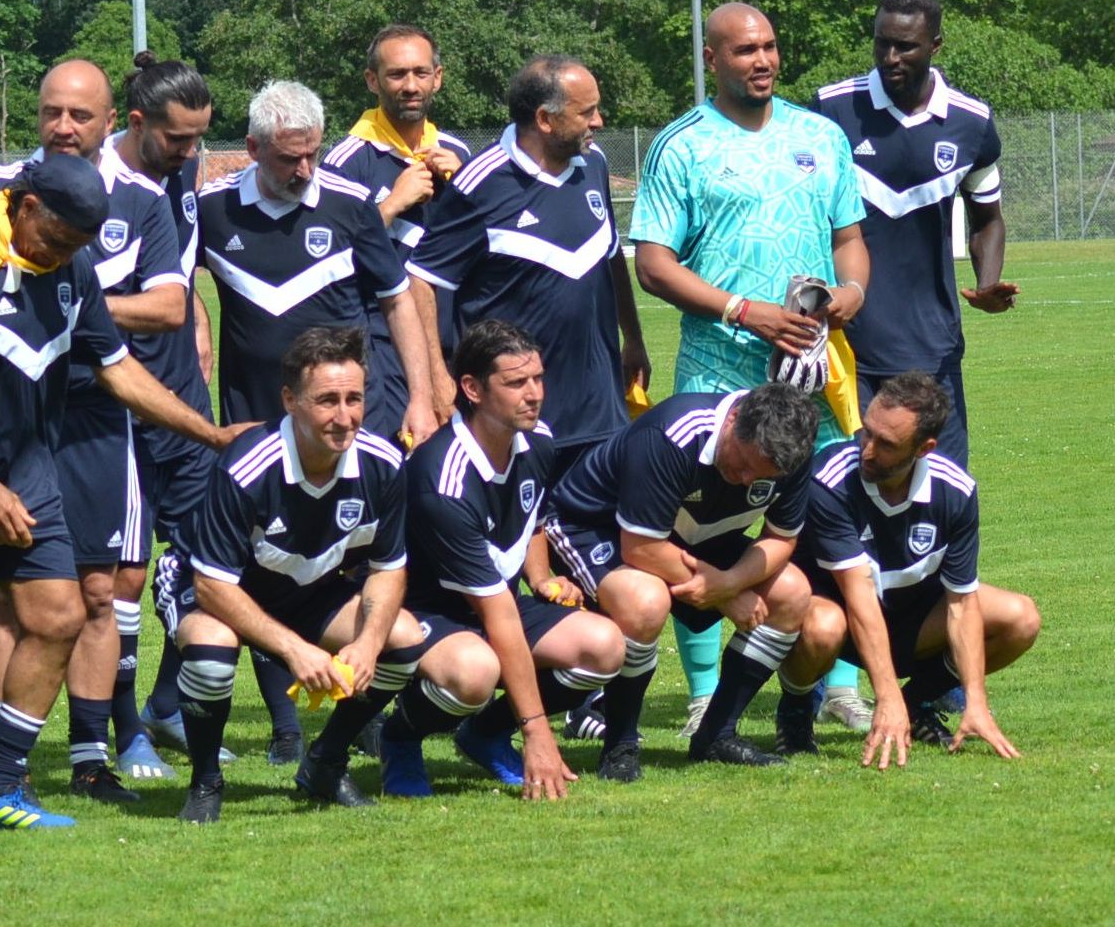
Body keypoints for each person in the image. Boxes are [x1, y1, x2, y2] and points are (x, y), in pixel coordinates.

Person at [0, 154, 242, 836]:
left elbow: (118, 371)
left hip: (28, 465)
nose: (62, 256)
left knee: (58, 615)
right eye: (54, 240)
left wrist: (211, 433)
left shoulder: (74, 269)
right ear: (23, 205)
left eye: (77, 247)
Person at [630, 3, 872, 735]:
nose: (761, 60)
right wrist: (744, 309)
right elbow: (652, 264)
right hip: (720, 375)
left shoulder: (821, 135)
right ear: (712, 58)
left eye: (769, 46)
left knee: (832, 518)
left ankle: (840, 680)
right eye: (743, 50)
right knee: (701, 526)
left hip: (814, 379)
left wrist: (849, 294)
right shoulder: (682, 145)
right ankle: (706, 688)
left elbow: (850, 240)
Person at [196, 78, 439, 763]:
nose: (304, 170)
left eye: (312, 154)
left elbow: (397, 300)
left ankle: (348, 706)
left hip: (342, 411)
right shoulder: (210, 208)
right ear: (251, 149)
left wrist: (419, 395)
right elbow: (176, 281)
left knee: (346, 556)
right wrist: (198, 329)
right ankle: (282, 722)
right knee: (258, 563)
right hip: (254, 415)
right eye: (286, 158)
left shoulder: (351, 201)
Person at [165, 327, 440, 823]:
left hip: (307, 587)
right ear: (290, 400)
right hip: (210, 585)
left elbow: (388, 569)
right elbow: (211, 584)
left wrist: (368, 644)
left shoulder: (383, 464)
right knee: (211, 655)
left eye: (354, 398)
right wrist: (295, 650)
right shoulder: (248, 466)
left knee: (401, 639)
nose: (344, 416)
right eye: (327, 401)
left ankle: (325, 764)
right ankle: (205, 780)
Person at [380, 320, 624, 799]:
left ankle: (485, 734)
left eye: (537, 379)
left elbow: (531, 517)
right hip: (430, 613)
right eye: (515, 383)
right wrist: (537, 732)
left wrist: (542, 574)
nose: (533, 394)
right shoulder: (443, 480)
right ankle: (401, 736)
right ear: (471, 388)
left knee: (604, 646)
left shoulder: (538, 440)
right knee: (476, 672)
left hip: (498, 600)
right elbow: (498, 615)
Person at [543, 384, 821, 781]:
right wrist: (726, 596)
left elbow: (781, 539)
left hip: (687, 539)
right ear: (732, 419)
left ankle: (716, 735)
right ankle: (619, 745)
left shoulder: (791, 454)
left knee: (792, 592)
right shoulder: (673, 434)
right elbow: (641, 548)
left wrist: (729, 582)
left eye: (759, 477)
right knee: (645, 600)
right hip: (592, 528)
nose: (744, 481)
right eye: (742, 463)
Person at [777, 373, 1039, 763]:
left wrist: (977, 701)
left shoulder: (956, 491)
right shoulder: (830, 481)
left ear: (924, 448)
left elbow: (961, 602)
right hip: (846, 620)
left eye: (886, 444)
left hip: (913, 622)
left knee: (1021, 618)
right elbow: (859, 595)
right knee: (822, 626)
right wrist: (885, 697)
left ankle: (918, 703)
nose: (867, 449)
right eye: (868, 432)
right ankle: (795, 713)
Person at [407, 55, 649, 467]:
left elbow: (611, 259)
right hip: (518, 424)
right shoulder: (479, 184)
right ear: (544, 119)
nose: (599, 123)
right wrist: (437, 382)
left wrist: (635, 339)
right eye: (587, 112)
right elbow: (422, 280)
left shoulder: (594, 165)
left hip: (602, 414)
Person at [813, 0, 1012, 468]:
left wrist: (987, 285)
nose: (890, 57)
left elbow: (988, 218)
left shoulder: (972, 124)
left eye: (906, 46)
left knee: (941, 494)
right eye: (882, 43)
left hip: (933, 349)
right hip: (846, 347)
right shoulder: (830, 111)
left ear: (935, 46)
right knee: (846, 498)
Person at [106, 54, 220, 778]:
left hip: (182, 398)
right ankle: (124, 732)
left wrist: (196, 315)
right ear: (139, 122)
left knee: (211, 553)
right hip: (116, 408)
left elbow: (180, 276)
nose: (189, 155)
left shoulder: (178, 178)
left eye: (198, 141)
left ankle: (166, 703)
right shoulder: (93, 189)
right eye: (178, 141)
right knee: (124, 574)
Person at [323, 24, 471, 436]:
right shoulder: (346, 161)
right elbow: (326, 263)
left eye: (421, 73)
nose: (410, 85)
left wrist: (463, 191)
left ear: (437, 78)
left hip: (455, 339)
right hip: (383, 343)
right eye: (396, 74)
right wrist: (390, 206)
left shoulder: (458, 154)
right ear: (373, 81)